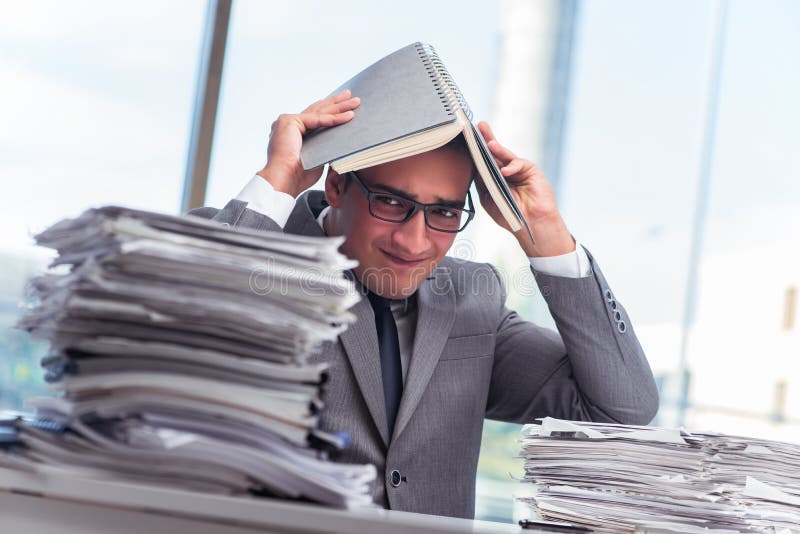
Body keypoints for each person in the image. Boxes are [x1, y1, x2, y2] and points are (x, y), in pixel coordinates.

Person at [190, 90, 659, 518]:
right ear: (336, 186)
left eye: (444, 212)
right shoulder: (248, 248)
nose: (415, 241)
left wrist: (544, 230)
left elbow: (622, 408)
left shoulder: (472, 297)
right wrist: (280, 180)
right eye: (391, 203)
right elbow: (187, 326)